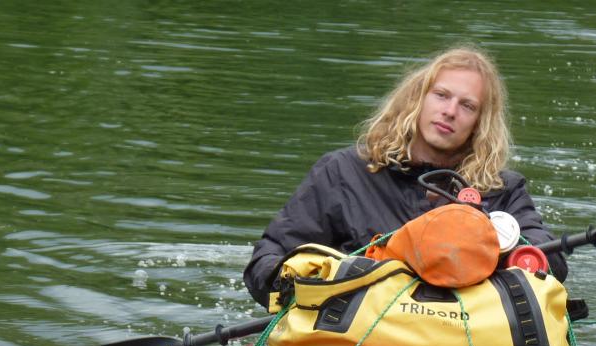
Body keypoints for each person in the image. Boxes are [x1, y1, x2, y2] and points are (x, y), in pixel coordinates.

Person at [243, 45, 568, 309]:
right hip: (353, 335)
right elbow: (270, 257)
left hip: (458, 337)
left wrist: (498, 246)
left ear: (479, 123)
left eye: (467, 106)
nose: (450, 111)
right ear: (418, 98)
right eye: (441, 95)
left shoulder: (501, 191)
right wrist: (294, 282)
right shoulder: (342, 173)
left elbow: (549, 259)